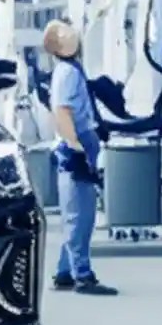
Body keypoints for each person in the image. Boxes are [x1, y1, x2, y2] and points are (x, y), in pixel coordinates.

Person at [44, 19, 118, 296]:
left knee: (75, 214)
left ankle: (65, 272)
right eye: (63, 31)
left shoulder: (72, 69)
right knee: (81, 216)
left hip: (82, 139)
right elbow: (62, 112)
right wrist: (76, 146)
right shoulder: (67, 73)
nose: (70, 31)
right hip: (75, 144)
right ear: (58, 45)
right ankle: (82, 276)